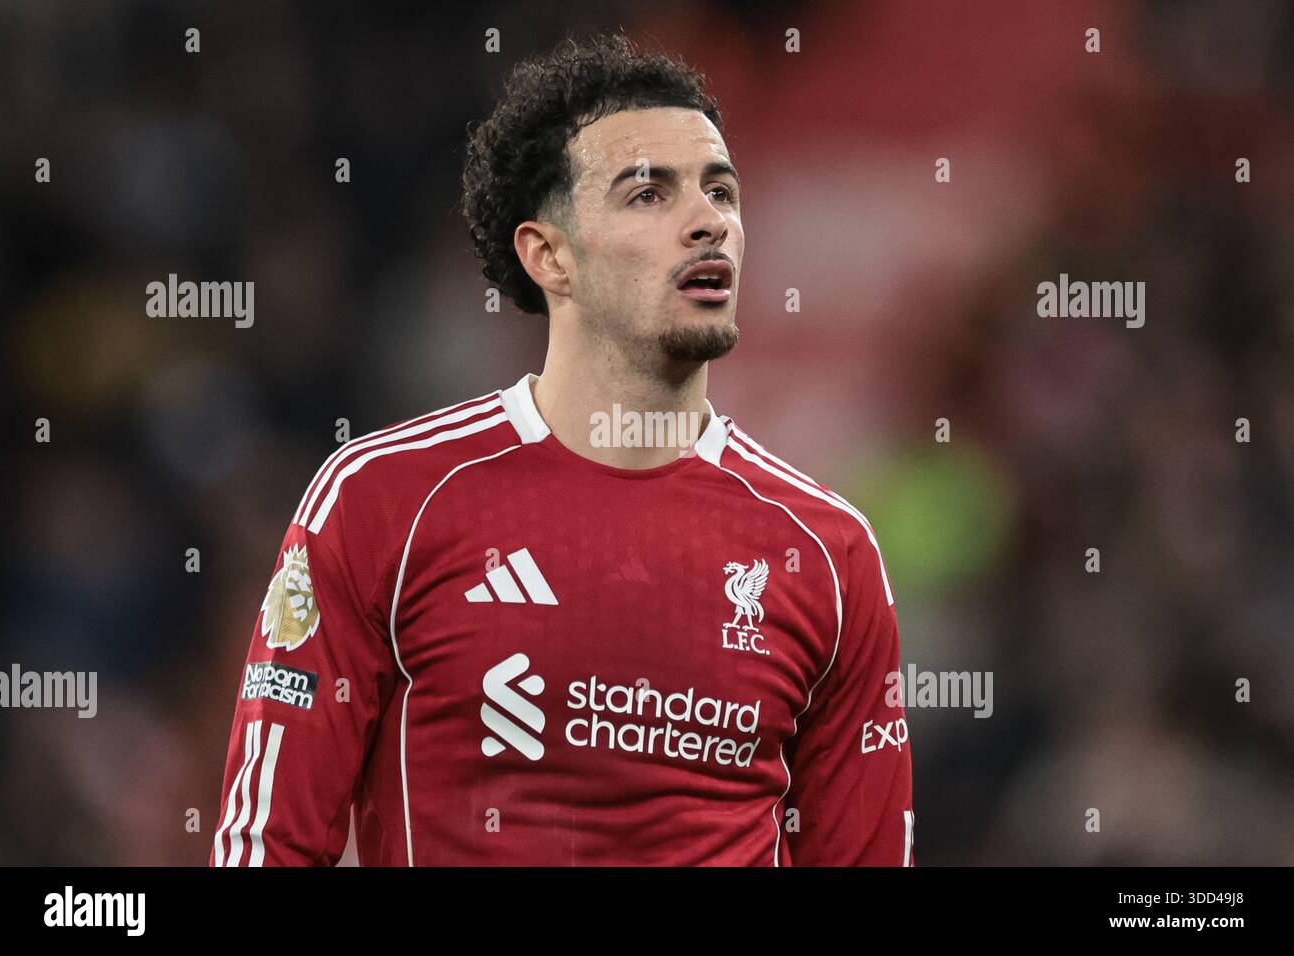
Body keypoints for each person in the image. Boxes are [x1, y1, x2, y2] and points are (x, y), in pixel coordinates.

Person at [210, 32, 913, 866]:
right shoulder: (383, 501)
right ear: (549, 256)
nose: (707, 223)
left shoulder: (827, 552)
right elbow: (267, 843)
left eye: (721, 192)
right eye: (649, 195)